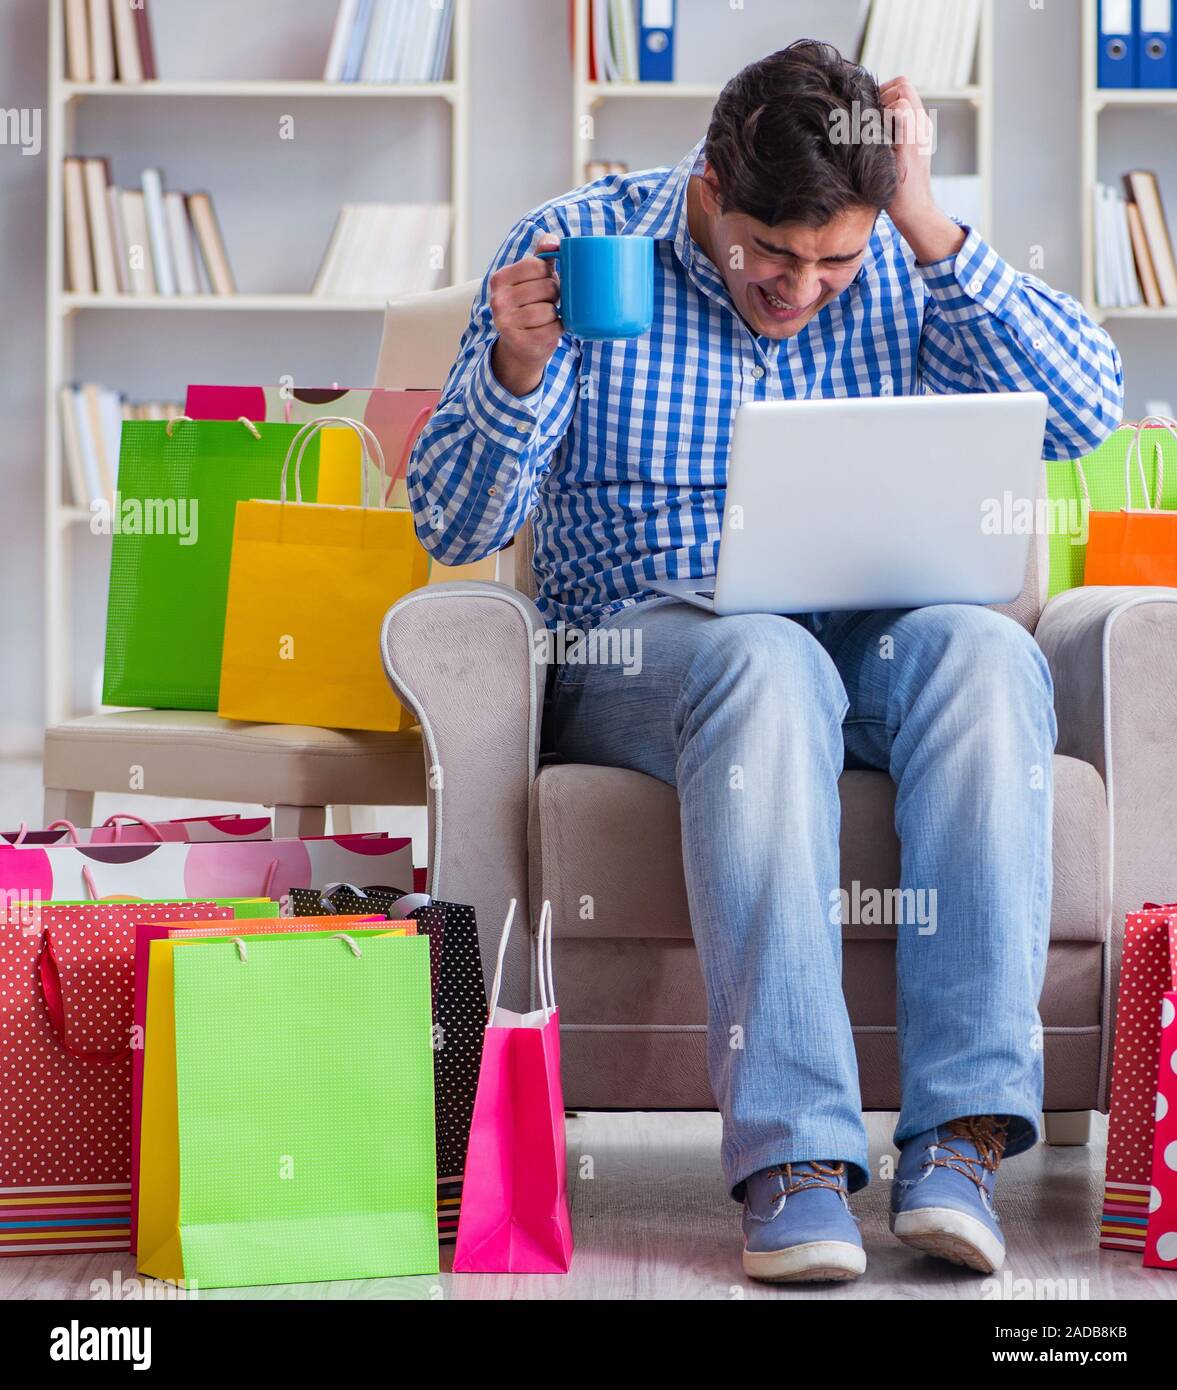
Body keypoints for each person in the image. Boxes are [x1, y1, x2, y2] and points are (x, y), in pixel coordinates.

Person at [408, 40, 1124, 1283]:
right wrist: (514, 372)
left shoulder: (904, 252)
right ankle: (792, 1158)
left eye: (832, 260)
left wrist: (925, 224)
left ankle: (957, 1142)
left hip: (873, 627)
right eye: (769, 255)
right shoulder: (581, 243)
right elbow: (453, 526)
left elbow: (1088, 412)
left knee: (986, 654)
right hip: (651, 642)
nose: (799, 288)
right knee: (763, 664)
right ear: (707, 191)